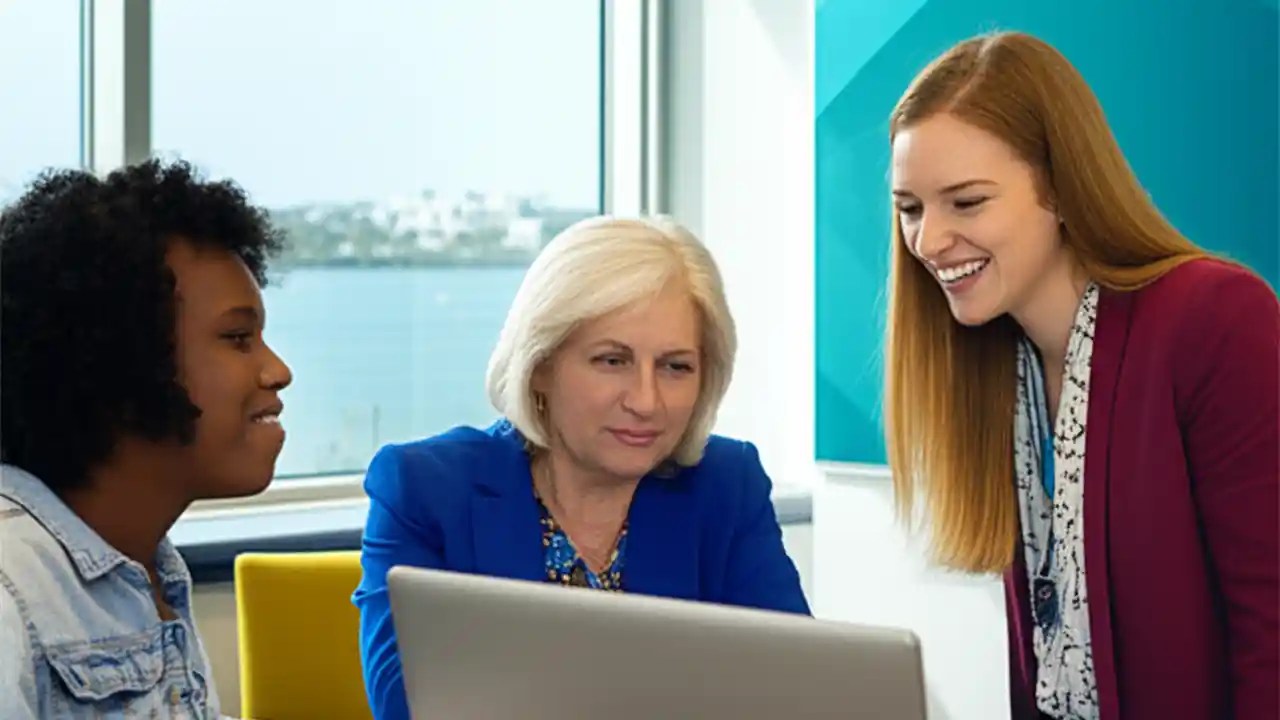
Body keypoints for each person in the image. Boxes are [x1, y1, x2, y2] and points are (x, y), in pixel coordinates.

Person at [882, 30, 1278, 720]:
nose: (929, 240)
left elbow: (1272, 634)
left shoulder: (1215, 319)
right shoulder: (1003, 372)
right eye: (910, 208)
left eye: (966, 202)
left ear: (1062, 190)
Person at [353, 215, 809, 720]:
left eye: (675, 366)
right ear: (540, 364)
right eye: (612, 361)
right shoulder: (424, 489)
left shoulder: (728, 483)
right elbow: (407, 707)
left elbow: (794, 689)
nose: (646, 400)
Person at [0, 159, 293, 718]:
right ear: (120, 362)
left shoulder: (150, 571)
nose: (277, 370)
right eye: (237, 337)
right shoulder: (10, 590)